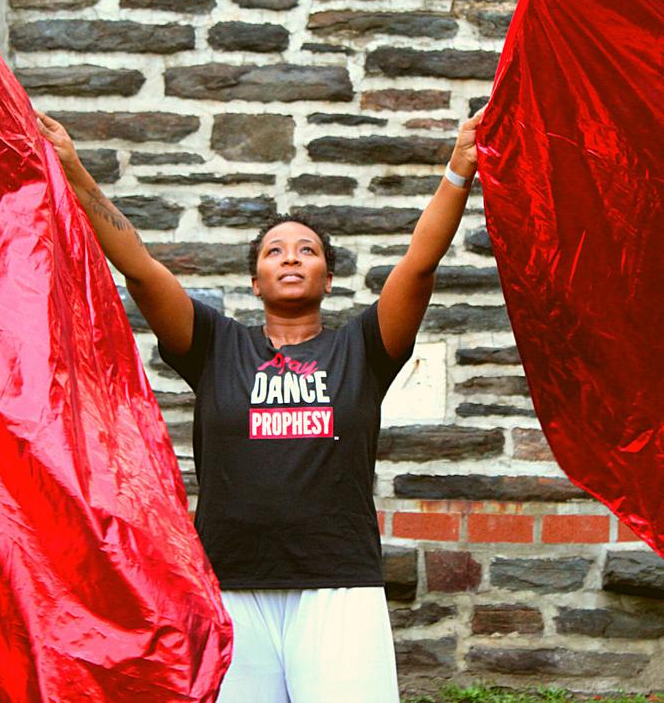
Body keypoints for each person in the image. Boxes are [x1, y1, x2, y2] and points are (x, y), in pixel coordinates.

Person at [37, 108, 483, 703]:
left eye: (307, 250)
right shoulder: (216, 346)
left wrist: (459, 169)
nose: (291, 258)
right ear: (255, 281)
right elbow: (140, 271)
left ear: (327, 278)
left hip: (338, 590)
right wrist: (74, 171)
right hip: (231, 586)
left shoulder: (363, 349)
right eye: (275, 251)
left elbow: (419, 265)